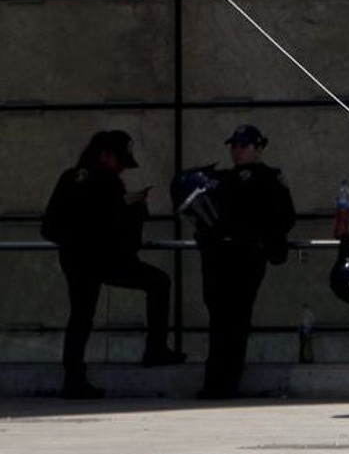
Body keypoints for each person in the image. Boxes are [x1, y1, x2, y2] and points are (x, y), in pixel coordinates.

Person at [42, 129, 185, 399]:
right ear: (105, 155)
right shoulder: (107, 183)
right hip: (104, 259)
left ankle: (73, 379)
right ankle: (155, 348)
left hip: (76, 260)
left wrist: (74, 242)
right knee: (158, 282)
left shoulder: (70, 178)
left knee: (80, 317)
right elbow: (119, 231)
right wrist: (134, 207)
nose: (120, 169)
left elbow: (49, 227)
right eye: (119, 162)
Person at [195, 125, 295, 399]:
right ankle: (213, 381)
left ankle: (227, 381)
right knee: (219, 320)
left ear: (258, 148)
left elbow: (285, 217)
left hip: (247, 256)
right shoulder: (222, 179)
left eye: (243, 146)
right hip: (219, 257)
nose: (236, 151)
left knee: (236, 319)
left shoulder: (270, 178)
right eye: (234, 146)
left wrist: (264, 240)